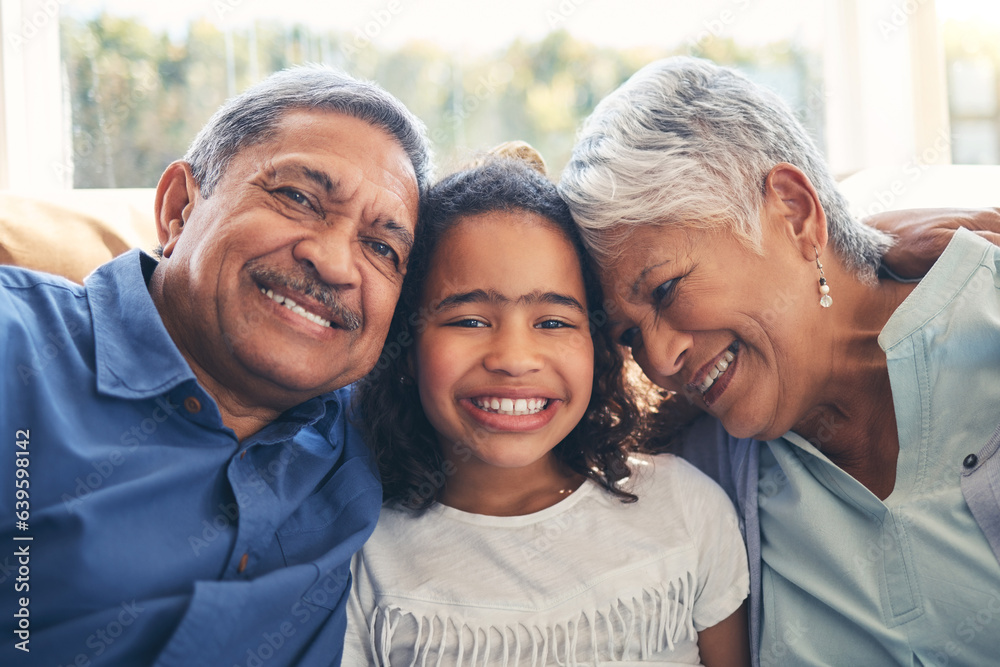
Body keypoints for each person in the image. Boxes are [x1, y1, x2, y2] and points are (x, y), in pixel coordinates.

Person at [559, 56, 1000, 666]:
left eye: (665, 290)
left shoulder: (987, 326)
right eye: (629, 336)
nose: (659, 359)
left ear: (793, 212)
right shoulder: (699, 471)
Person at [0, 65, 429, 666]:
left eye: (382, 247)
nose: (334, 263)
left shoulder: (392, 422)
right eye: (298, 198)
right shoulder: (15, 345)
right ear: (178, 208)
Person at [345, 146, 752, 666]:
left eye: (554, 322)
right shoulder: (366, 555)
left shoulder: (684, 508)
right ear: (404, 346)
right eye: (469, 320)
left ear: (599, 345)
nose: (515, 360)